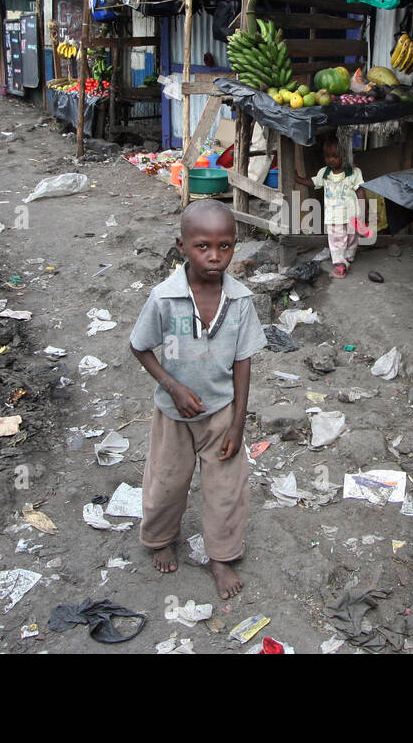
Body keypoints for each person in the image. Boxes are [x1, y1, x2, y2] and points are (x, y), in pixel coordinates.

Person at [128, 199, 266, 599]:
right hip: (173, 414)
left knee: (226, 488)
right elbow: (140, 346)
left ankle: (220, 558)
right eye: (203, 246)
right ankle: (161, 539)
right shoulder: (164, 297)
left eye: (225, 246)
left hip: (221, 413)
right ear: (181, 245)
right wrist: (172, 385)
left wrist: (239, 423)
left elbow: (243, 362)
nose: (215, 256)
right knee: (166, 482)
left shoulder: (240, 301)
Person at [299, 134, 366, 277]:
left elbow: (360, 191)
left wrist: (363, 211)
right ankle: (339, 263)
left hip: (352, 214)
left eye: (335, 156)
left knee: (352, 237)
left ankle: (348, 256)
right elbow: (313, 182)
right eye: (327, 156)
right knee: (337, 239)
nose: (331, 160)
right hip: (333, 216)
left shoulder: (354, 172)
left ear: (345, 155)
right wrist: (297, 179)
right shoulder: (324, 173)